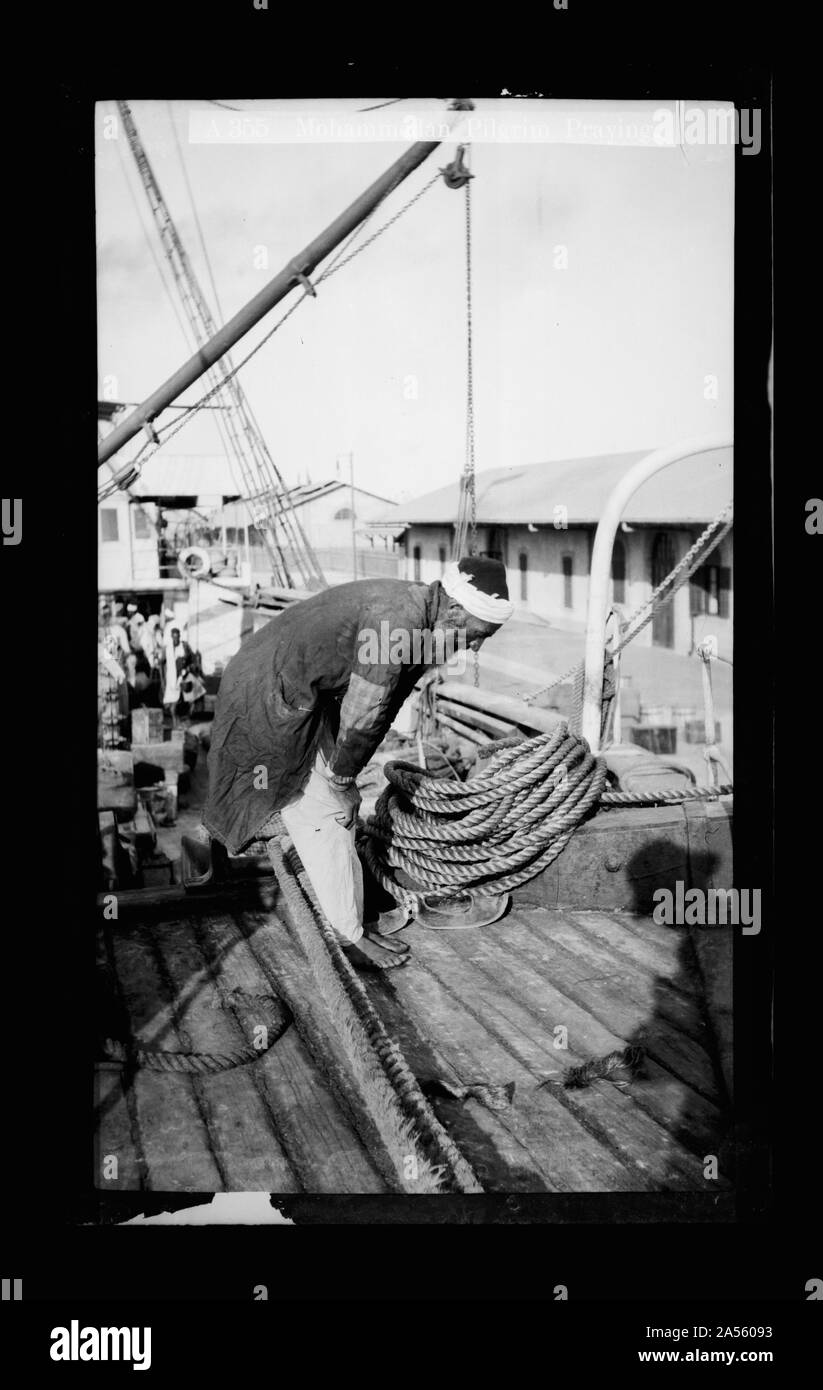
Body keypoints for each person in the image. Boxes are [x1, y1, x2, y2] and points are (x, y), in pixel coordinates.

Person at [203, 557, 514, 969]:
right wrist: (341, 774)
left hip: (298, 687)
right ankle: (346, 937)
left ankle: (347, 912)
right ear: (455, 611)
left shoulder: (425, 618)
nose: (475, 646)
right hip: (268, 693)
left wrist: (344, 775)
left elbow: (390, 700)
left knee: (341, 802)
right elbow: (365, 711)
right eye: (478, 635)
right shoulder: (398, 625)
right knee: (321, 808)